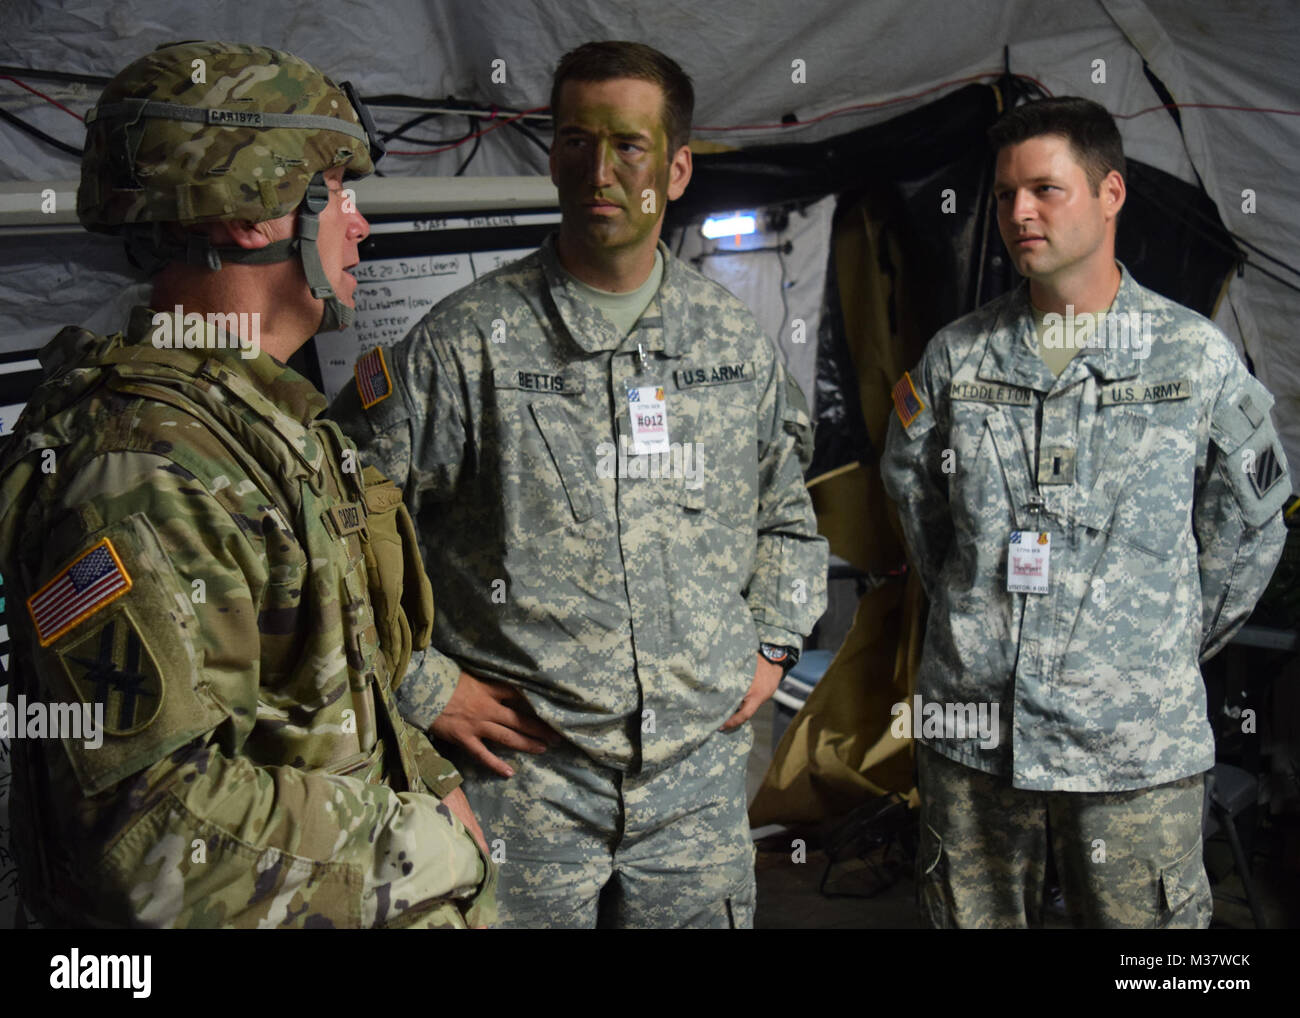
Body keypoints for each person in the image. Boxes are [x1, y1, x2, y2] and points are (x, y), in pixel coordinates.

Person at [330, 40, 827, 928]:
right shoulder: (465, 345)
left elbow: (786, 510)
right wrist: (422, 684)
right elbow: (326, 529)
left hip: (695, 787)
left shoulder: (731, 340)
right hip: (525, 784)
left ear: (676, 170)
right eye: (574, 141)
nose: (598, 170)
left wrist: (776, 643)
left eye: (628, 145)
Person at [0, 41, 495, 928]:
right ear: (256, 215)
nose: (360, 224)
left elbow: (332, 694)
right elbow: (154, 831)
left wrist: (431, 783)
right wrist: (427, 845)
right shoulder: (142, 470)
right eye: (340, 191)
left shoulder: (265, 427)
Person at [881, 96, 1290, 928]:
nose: (1018, 213)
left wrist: (1158, 643)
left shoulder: (1191, 357)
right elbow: (917, 500)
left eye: (1045, 189)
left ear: (1111, 193)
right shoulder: (958, 356)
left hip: (1132, 748)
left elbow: (1250, 524)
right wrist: (978, 615)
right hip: (976, 738)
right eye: (1002, 195)